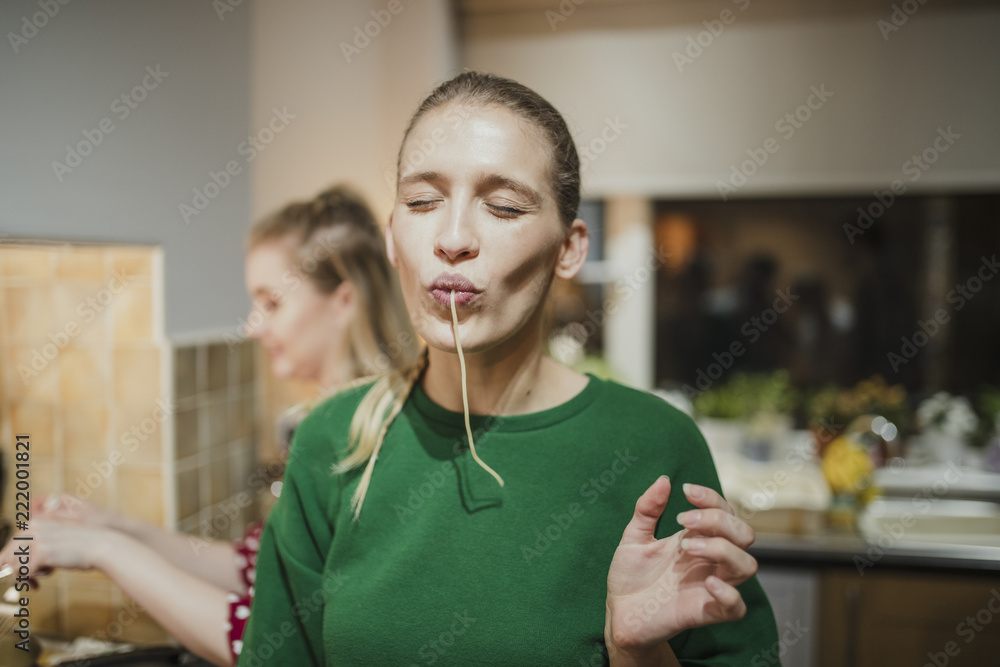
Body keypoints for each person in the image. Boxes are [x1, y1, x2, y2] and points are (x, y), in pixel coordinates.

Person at [239, 72, 779, 666]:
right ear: (393, 237)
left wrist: (637, 652)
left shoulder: (654, 446)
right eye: (422, 202)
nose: (452, 237)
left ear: (570, 248)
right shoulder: (330, 441)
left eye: (503, 206)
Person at [0, 185, 417, 666]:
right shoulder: (331, 419)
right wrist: (112, 526)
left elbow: (264, 640)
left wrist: (102, 548)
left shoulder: (366, 437)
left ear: (344, 300)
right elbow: (258, 570)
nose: (252, 326)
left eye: (273, 303)